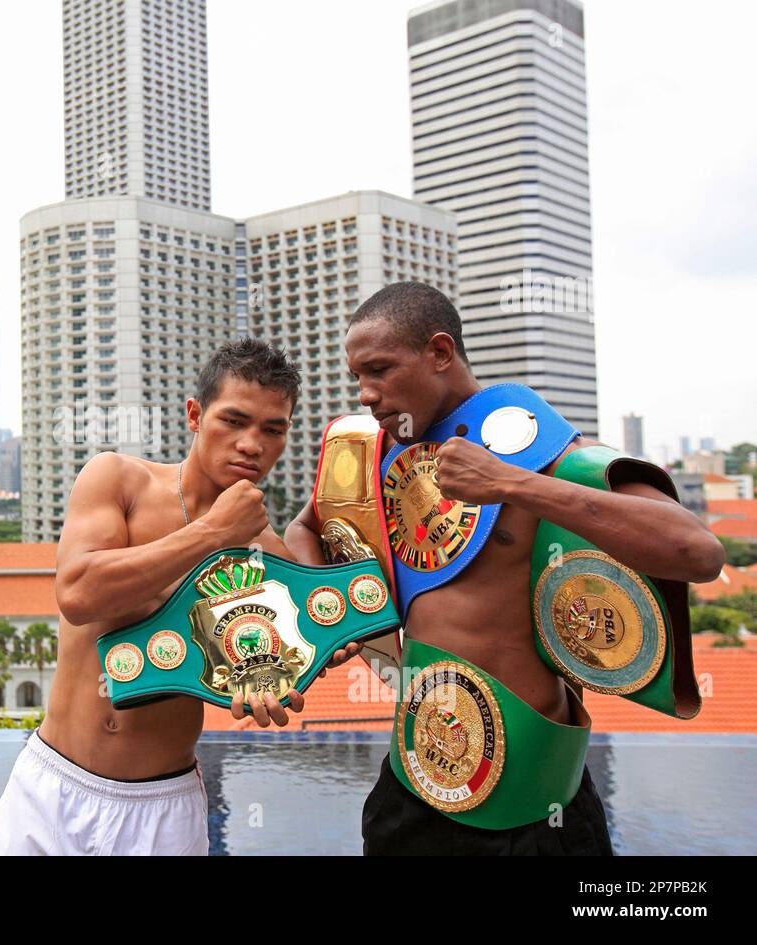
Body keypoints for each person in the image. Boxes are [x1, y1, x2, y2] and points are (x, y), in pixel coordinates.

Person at [286, 282, 725, 855]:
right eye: (358, 378)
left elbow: (699, 554)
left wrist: (511, 483)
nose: (366, 395)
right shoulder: (371, 456)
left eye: (380, 370)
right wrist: (335, 610)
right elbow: (305, 527)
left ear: (440, 353)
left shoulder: (546, 455)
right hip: (412, 784)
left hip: (535, 803)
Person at [0, 338, 353, 856]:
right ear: (195, 415)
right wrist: (213, 534)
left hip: (162, 805)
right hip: (52, 786)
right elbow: (78, 592)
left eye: (274, 430)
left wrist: (267, 687)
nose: (253, 443)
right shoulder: (119, 479)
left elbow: (264, 666)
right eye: (235, 420)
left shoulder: (268, 557)